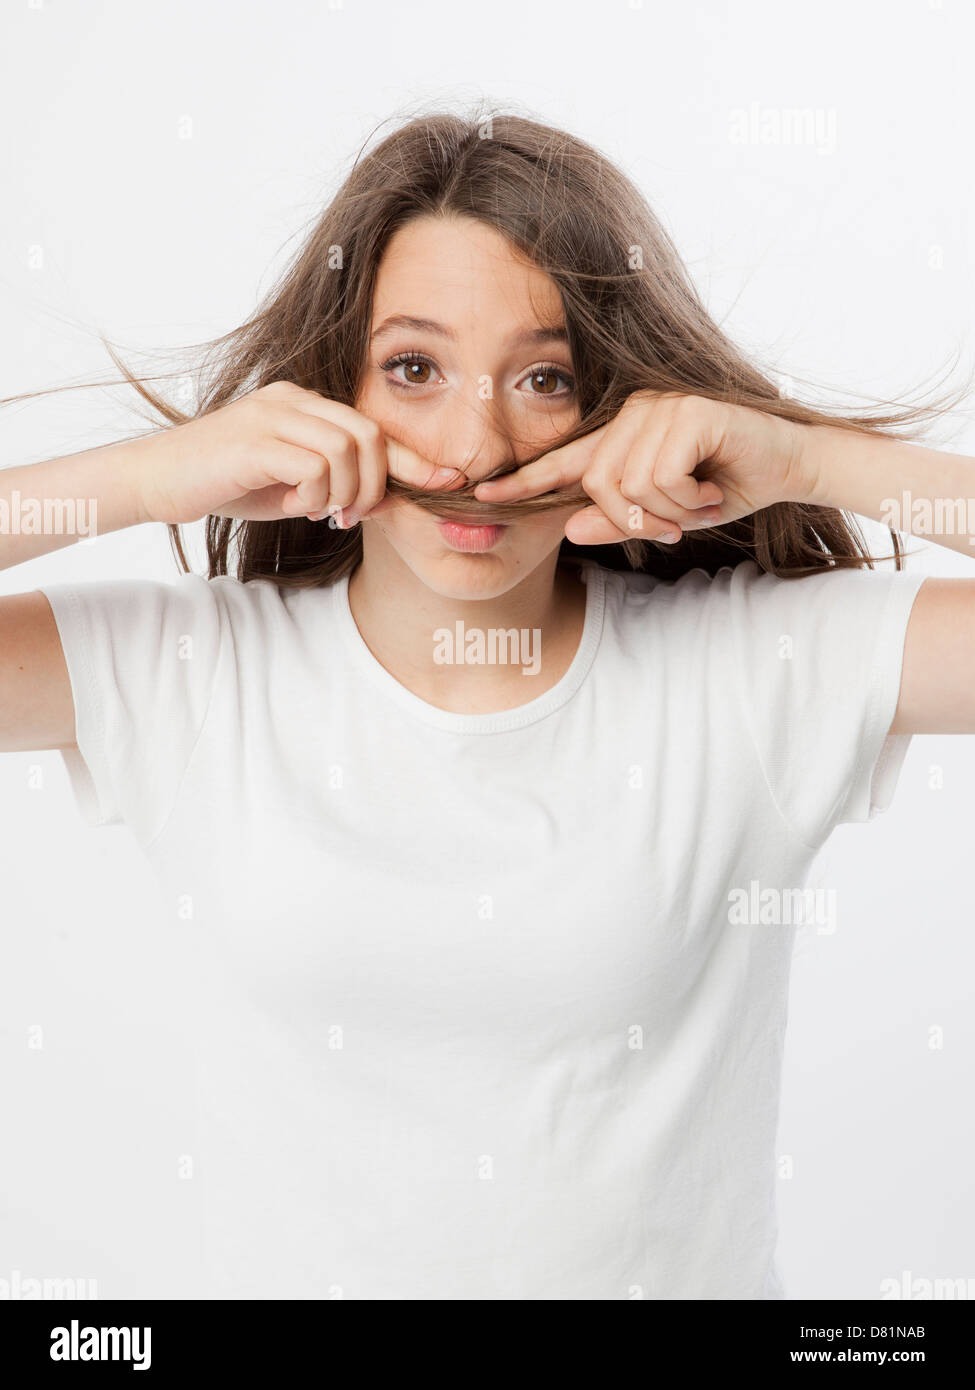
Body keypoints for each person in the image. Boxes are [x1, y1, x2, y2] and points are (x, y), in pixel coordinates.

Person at [1, 111, 972, 1300]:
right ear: (334, 389)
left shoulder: (747, 665)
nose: (473, 444)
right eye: (414, 368)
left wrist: (815, 464)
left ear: (608, 407)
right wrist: (137, 480)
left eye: (544, 378)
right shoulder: (195, 677)